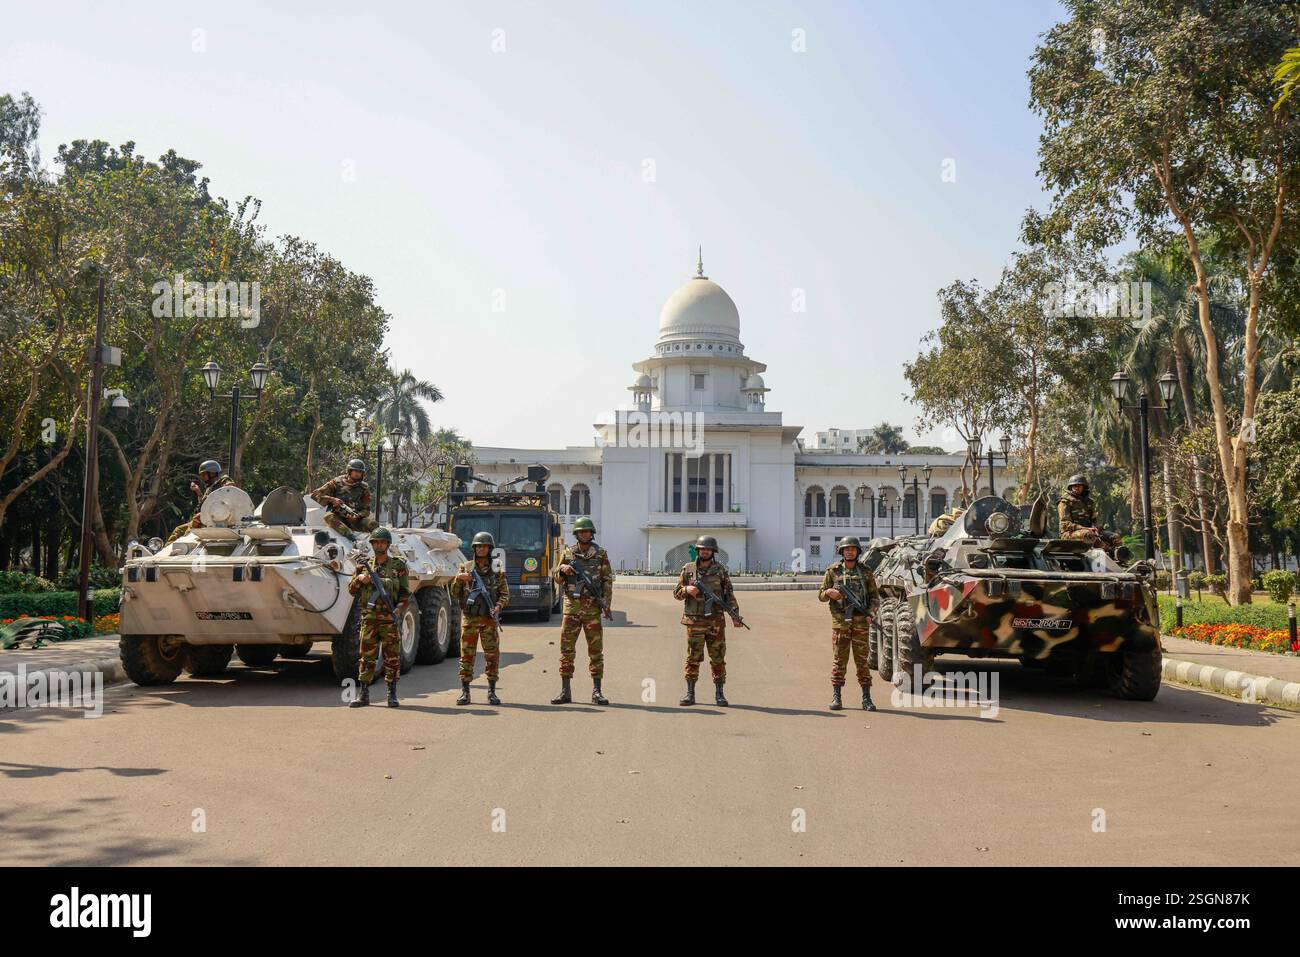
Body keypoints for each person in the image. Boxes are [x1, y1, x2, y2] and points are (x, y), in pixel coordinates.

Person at [672, 535, 743, 707]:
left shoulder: (720, 571)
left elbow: (729, 595)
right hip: (694, 622)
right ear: (698, 550)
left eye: (708, 549)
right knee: (693, 658)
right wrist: (687, 589)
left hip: (715, 622)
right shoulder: (688, 570)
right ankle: (690, 694)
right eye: (702, 549)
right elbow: (676, 593)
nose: (705, 551)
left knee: (718, 658)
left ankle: (719, 694)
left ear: (713, 552)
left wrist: (735, 615)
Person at [550, 517, 615, 705]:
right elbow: (555, 577)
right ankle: (565, 691)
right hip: (572, 607)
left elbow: (607, 581)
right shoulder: (568, 553)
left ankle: (597, 691)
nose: (584, 534)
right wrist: (562, 570)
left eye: (587, 531)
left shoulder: (601, 554)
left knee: (595, 650)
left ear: (591, 533)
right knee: (566, 649)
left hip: (592, 608)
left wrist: (606, 604)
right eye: (581, 532)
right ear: (576, 534)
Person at [347, 527, 410, 708]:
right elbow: (351, 591)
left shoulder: (398, 565)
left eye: (382, 542)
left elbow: (406, 594)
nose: (379, 545)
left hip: (389, 618)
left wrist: (398, 611)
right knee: (366, 657)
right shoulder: (364, 565)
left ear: (388, 544)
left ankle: (392, 694)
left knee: (392, 657)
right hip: (369, 618)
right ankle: (364, 694)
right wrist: (359, 579)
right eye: (375, 542)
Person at [818, 536, 880, 711]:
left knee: (863, 662)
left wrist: (872, 613)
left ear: (858, 551)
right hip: (840, 624)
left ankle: (866, 698)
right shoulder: (833, 571)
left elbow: (875, 598)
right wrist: (830, 592)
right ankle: (837, 697)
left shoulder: (866, 572)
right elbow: (821, 595)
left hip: (861, 623)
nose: (850, 551)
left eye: (853, 549)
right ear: (842, 551)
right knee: (839, 661)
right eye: (846, 549)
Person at [450, 530, 509, 705]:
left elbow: (505, 594)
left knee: (492, 656)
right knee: (467, 656)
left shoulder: (496, 569)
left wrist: (498, 606)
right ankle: (465, 692)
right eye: (478, 547)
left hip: (489, 621)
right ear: (474, 549)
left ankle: (491, 691)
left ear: (489, 548)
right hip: (470, 620)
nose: (481, 549)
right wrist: (459, 579)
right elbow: (455, 593)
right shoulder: (466, 567)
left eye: (484, 546)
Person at [164, 460, 233, 545]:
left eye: (204, 474)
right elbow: (203, 504)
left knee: (188, 533)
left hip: (212, 518)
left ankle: (182, 547)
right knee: (178, 530)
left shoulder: (223, 480)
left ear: (212, 473)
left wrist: (227, 486)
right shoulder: (210, 487)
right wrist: (198, 492)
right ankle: (166, 550)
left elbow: (230, 488)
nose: (202, 477)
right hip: (204, 517)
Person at [1057, 474, 1124, 556]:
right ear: (1070, 487)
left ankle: (1120, 556)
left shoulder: (1089, 502)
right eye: (1074, 486)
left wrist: (1097, 527)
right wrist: (1086, 528)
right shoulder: (1065, 502)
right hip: (1069, 534)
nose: (1076, 488)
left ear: (1084, 487)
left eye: (1079, 486)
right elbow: (1065, 524)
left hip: (1090, 531)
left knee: (1115, 536)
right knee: (1089, 535)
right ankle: (1110, 552)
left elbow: (1094, 519)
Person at [311, 459, 377, 539]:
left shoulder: (364, 488)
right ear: (349, 471)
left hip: (356, 520)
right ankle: (352, 537)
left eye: (360, 472)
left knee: (373, 524)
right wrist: (332, 500)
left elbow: (366, 509)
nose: (358, 474)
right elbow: (315, 495)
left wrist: (357, 516)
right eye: (355, 471)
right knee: (328, 517)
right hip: (339, 518)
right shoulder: (336, 482)